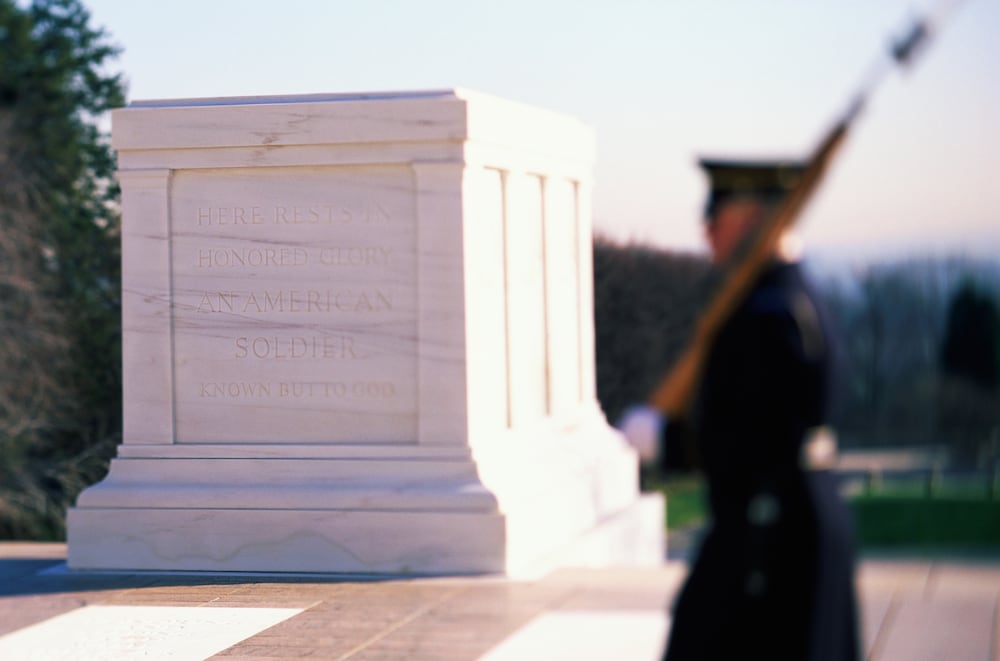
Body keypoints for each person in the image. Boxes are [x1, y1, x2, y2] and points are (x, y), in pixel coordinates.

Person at [621, 158, 861, 660]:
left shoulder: (768, 312)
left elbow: (757, 439)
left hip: (771, 536)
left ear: (754, 219)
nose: (706, 230)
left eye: (717, 217)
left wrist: (667, 440)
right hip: (791, 525)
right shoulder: (792, 297)